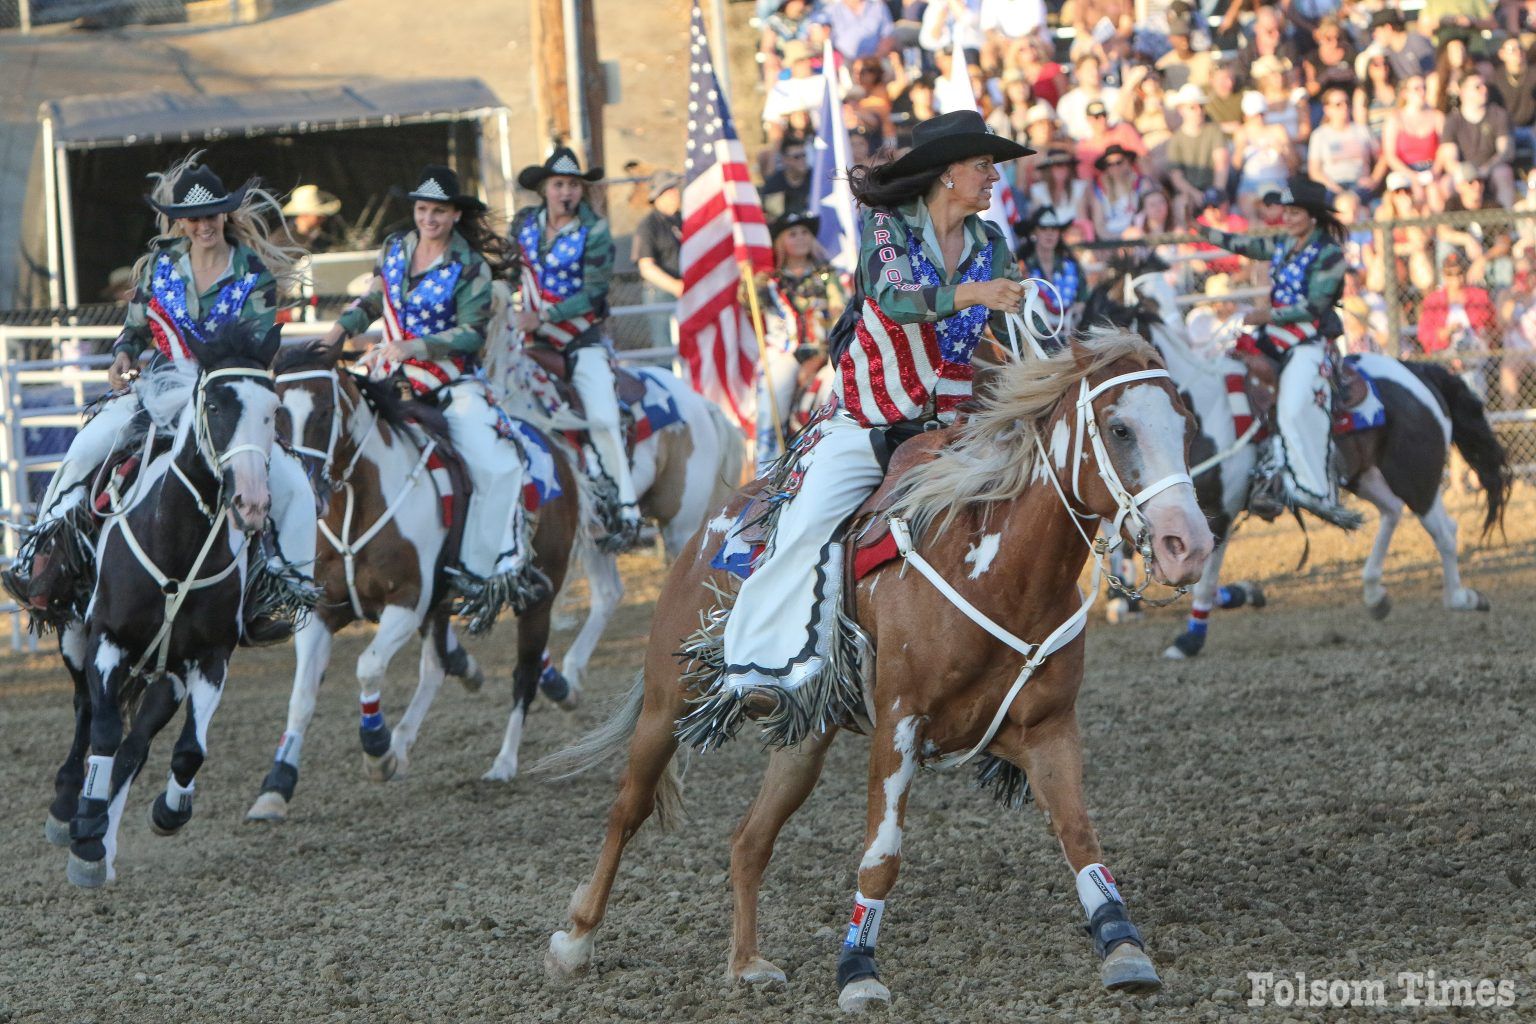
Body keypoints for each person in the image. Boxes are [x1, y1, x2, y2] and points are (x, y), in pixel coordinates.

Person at [720, 108, 1030, 700]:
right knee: (809, 522)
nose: (994, 177)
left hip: (958, 422)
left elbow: (1013, 326)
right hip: (871, 419)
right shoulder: (887, 227)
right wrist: (976, 291)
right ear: (947, 173)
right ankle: (753, 663)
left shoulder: (990, 242)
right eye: (984, 165)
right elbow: (894, 298)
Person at [3, 157, 315, 643]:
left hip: (226, 399)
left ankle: (278, 588)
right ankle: (39, 564)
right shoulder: (156, 267)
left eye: (212, 215)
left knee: (293, 482)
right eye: (194, 218)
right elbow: (134, 329)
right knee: (88, 447)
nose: (204, 224)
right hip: (161, 392)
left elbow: (258, 342)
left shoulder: (252, 271)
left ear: (224, 217)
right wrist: (123, 356)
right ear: (181, 222)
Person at [322, 164, 549, 619]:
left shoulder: (471, 267)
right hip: (385, 374)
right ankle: (306, 563)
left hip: (450, 384)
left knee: (499, 464)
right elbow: (371, 301)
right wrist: (335, 334)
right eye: (423, 209)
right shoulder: (394, 250)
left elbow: (471, 334)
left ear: (454, 215)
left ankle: (490, 567)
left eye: (439, 211)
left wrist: (415, 346)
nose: (429, 218)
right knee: (322, 435)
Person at [1194, 175, 1358, 527]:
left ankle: (1313, 489)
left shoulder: (1330, 255)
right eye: (1285, 212)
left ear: (1313, 217)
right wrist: (1206, 233)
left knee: (1293, 405)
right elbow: (1248, 247)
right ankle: (1257, 465)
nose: (1287, 218)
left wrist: (1268, 314)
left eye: (1295, 213)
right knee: (1232, 372)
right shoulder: (1285, 243)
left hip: (1312, 341)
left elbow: (1316, 306)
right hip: (1275, 336)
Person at [507, 148, 636, 549]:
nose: (566, 192)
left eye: (574, 185)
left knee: (601, 416)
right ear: (544, 189)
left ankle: (626, 509)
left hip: (581, 340)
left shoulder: (595, 231)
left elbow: (595, 291)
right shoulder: (523, 224)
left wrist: (543, 315)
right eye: (559, 184)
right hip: (525, 341)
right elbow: (508, 269)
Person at [752, 211, 847, 470]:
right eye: (793, 234)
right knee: (776, 390)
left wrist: (822, 355)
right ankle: (766, 466)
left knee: (837, 386)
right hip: (784, 353)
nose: (801, 238)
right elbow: (749, 308)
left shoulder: (829, 277)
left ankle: (828, 454)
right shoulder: (768, 282)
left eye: (805, 232)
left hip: (825, 352)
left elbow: (840, 314)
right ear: (781, 241)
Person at [1437, 71, 1515, 207]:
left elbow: (1506, 151)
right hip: (1464, 174)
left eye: (1484, 86)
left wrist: (1486, 168)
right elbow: (1449, 158)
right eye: (1477, 87)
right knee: (1446, 183)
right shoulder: (1452, 120)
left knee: (1504, 173)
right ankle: (1452, 225)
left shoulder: (1498, 115)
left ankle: (1505, 224)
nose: (1484, 90)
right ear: (1463, 92)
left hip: (1490, 170)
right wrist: (1466, 174)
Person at [1165, 84, 1232, 222]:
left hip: (1212, 188)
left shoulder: (1213, 131)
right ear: (1181, 110)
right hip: (1189, 193)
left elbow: (1221, 164)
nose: (1198, 111)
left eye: (1201, 106)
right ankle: (1185, 242)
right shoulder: (1176, 140)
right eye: (1192, 107)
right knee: (1181, 205)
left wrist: (1215, 194)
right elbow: (1177, 178)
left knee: (1219, 208)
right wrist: (1195, 194)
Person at [633, 170, 684, 347]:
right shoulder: (648, 226)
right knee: (667, 349)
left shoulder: (682, 220)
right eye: (669, 190)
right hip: (662, 295)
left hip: (685, 291)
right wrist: (676, 286)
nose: (676, 194)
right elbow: (646, 267)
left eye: (675, 189)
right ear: (658, 196)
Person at [1014, 206, 1083, 332]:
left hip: (1071, 333)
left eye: (1054, 229)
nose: (1050, 233)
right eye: (1044, 228)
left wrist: (1077, 310)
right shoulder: (1022, 267)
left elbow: (1083, 298)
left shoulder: (1072, 265)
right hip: (1034, 333)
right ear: (1034, 232)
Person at [762, 131, 814, 215]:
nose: (802, 160)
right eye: (796, 157)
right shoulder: (774, 184)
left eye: (803, 155)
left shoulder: (816, 179)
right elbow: (772, 215)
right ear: (785, 160)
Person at [281, 184, 343, 253]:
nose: (323, 219)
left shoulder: (323, 237)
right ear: (304, 215)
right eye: (318, 216)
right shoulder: (282, 239)